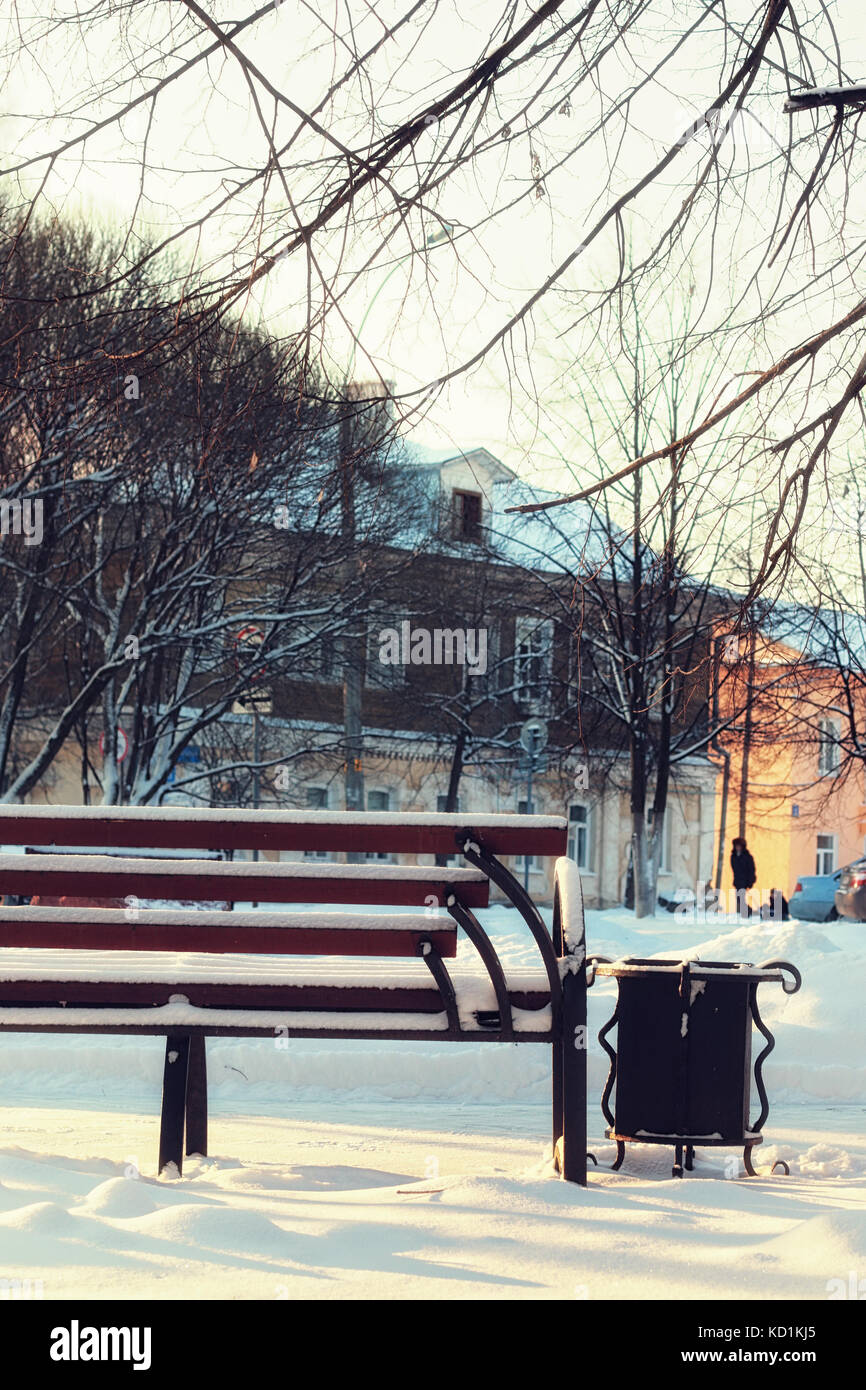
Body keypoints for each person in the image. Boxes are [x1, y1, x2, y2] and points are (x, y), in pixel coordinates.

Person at [731, 836, 756, 918]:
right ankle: (747, 912)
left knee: (740, 898)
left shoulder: (747, 857)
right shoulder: (733, 856)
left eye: (739, 846)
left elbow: (751, 870)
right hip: (737, 881)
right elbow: (734, 870)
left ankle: (748, 912)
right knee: (739, 899)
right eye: (736, 846)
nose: (737, 847)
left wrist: (750, 881)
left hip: (744, 881)